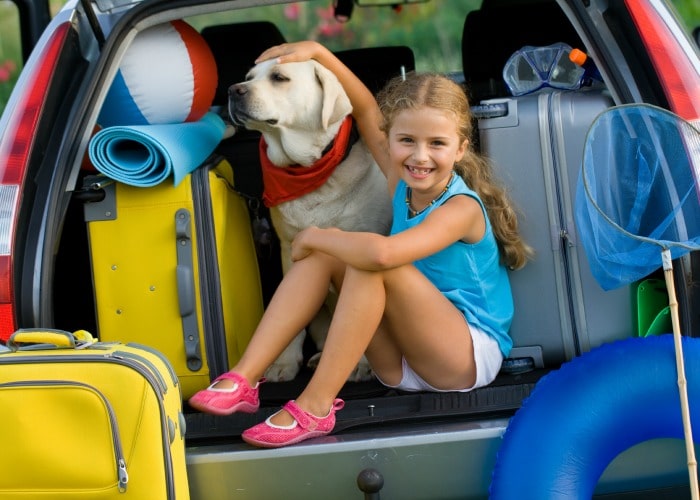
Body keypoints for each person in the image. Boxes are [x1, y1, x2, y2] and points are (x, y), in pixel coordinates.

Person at [188, 41, 532, 448]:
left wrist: (318, 235)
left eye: (436, 144)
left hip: (463, 360)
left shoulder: (460, 209)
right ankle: (244, 378)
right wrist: (319, 51)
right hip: (401, 362)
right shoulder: (399, 182)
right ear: (389, 142)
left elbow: (383, 254)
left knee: (366, 256)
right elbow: (367, 108)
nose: (420, 156)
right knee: (324, 258)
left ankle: (315, 405)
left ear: (460, 149)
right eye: (407, 141)